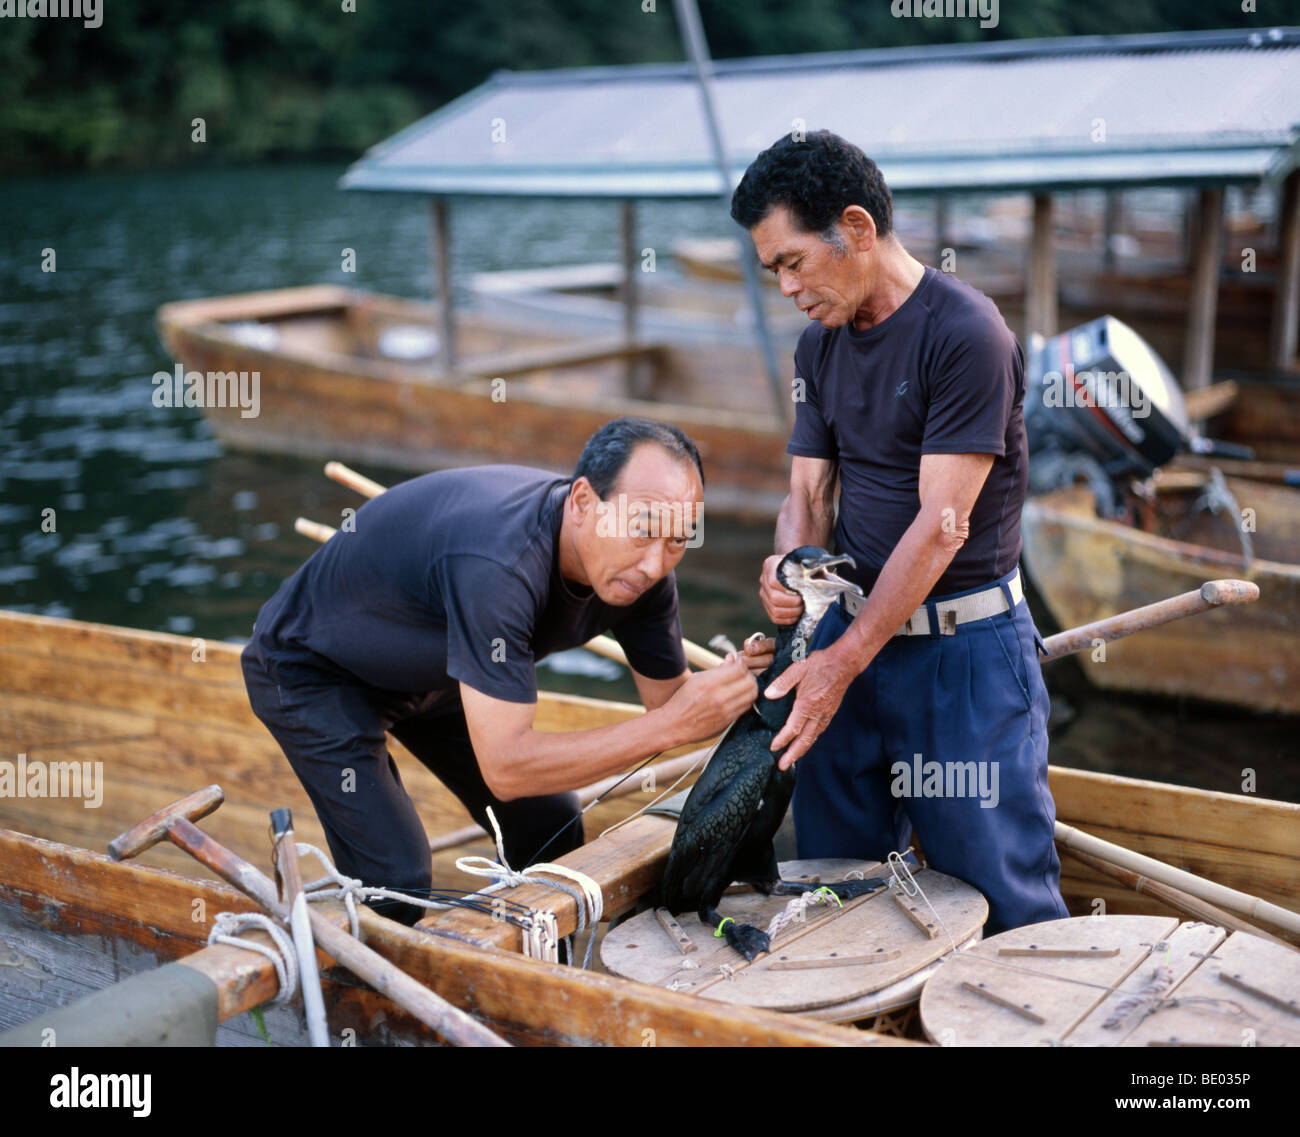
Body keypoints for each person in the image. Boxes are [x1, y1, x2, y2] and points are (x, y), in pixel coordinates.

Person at [730, 131, 1068, 934]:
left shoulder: (968, 335)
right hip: (844, 639)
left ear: (854, 227)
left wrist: (843, 660)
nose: (785, 287)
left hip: (961, 660)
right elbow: (808, 493)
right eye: (771, 269)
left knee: (996, 889)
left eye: (790, 262)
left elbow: (942, 526)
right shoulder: (820, 344)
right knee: (832, 885)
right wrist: (786, 567)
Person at [241, 417, 763, 925]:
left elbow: (670, 703)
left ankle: (541, 981)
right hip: (313, 671)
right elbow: (509, 770)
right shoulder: (502, 565)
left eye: (677, 541)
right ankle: (356, 1006)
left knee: (549, 823)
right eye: (643, 531)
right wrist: (674, 726)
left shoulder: (642, 578)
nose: (655, 563)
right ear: (582, 502)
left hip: (434, 671)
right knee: (395, 877)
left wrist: (745, 679)